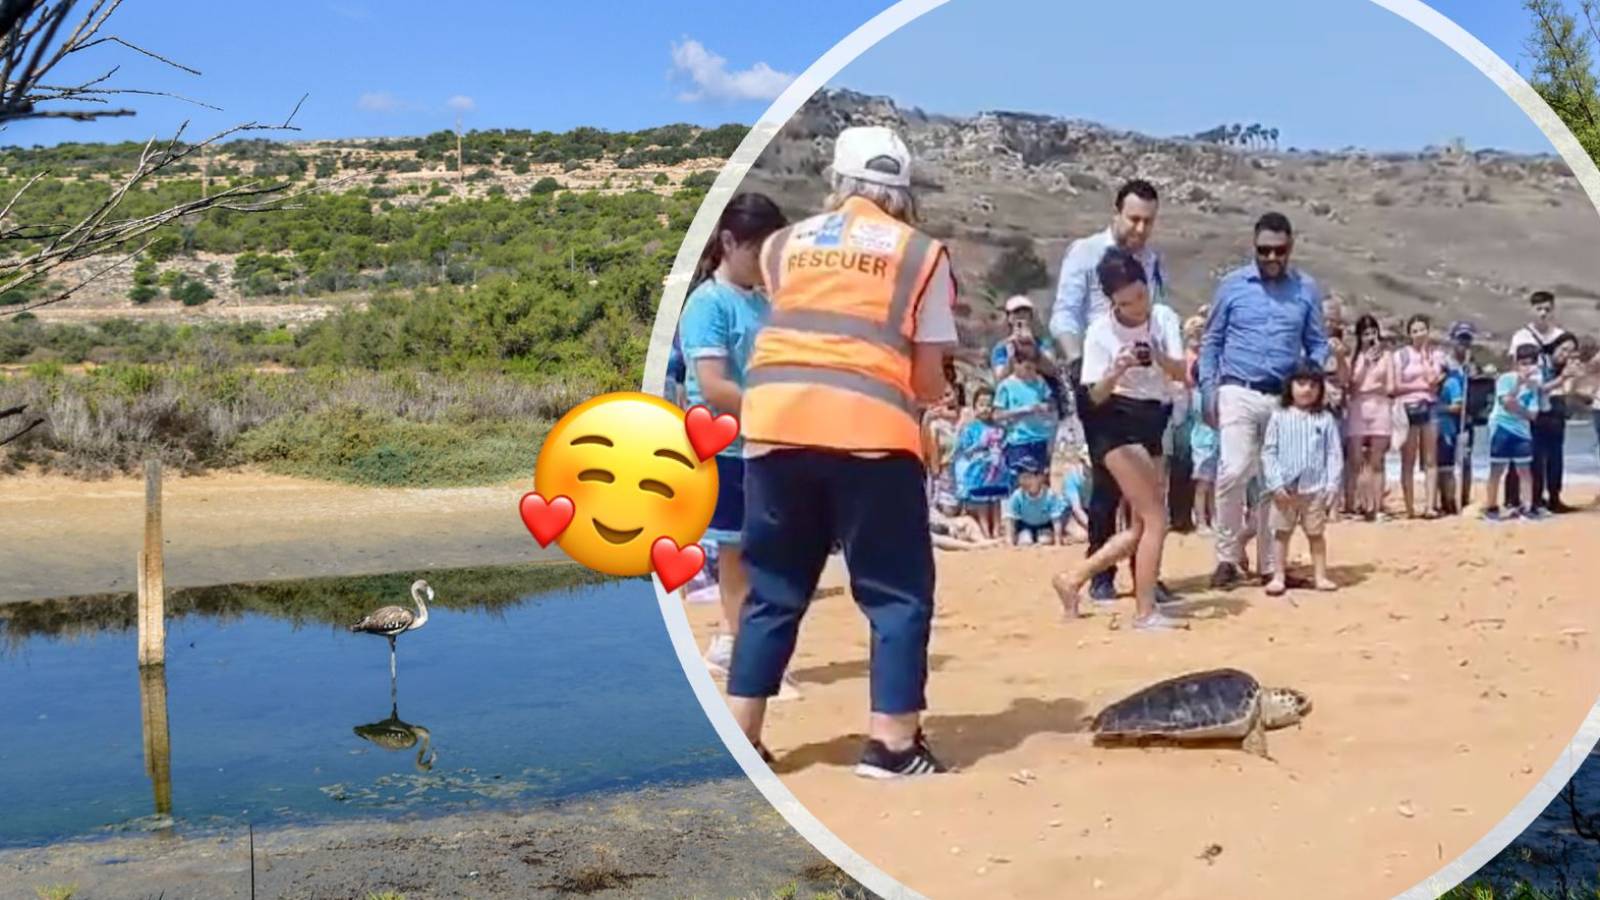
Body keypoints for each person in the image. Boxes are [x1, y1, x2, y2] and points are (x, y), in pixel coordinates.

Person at [728, 124, 956, 777]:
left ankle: (741, 735)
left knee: (773, 590)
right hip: (869, 434)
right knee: (896, 591)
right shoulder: (920, 254)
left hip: (775, 426)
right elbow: (927, 376)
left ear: (836, 182)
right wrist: (929, 397)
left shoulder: (782, 246)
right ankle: (892, 744)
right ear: (902, 193)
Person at [678, 192, 802, 701]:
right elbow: (712, 385)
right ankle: (746, 654)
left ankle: (733, 642)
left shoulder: (762, 302)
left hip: (762, 441)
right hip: (727, 447)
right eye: (758, 252)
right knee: (738, 552)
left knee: (755, 552)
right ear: (730, 242)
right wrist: (771, 406)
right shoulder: (708, 304)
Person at [1047, 178, 1178, 606]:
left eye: (1149, 222)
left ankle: (1145, 574)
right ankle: (1100, 572)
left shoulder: (1152, 262)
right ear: (1116, 213)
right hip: (1100, 378)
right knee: (1106, 483)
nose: (1140, 229)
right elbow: (1065, 314)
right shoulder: (1085, 253)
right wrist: (1079, 364)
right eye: (1134, 219)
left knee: (1149, 489)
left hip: (1146, 388)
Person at [1197, 212, 1330, 588]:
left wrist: (1311, 380)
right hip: (1237, 388)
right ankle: (1226, 558)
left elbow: (1317, 343)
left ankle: (1271, 565)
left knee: (1277, 482)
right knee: (1233, 471)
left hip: (1282, 397)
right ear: (1254, 247)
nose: (1272, 257)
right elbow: (1212, 341)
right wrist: (1207, 391)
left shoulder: (1306, 289)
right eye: (1264, 250)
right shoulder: (1232, 286)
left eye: (1279, 250)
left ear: (1291, 247)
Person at [1260, 367, 1344, 597]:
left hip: (1314, 488)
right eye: (1301, 384)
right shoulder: (1279, 416)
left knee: (1315, 533)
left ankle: (1320, 575)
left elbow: (1333, 454)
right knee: (1281, 533)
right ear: (1290, 386)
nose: (1307, 390)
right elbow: (1269, 451)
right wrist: (1275, 483)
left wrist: (1332, 485)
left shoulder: (1325, 419)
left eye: (1313, 385)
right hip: (1284, 489)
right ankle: (1278, 575)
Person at [1506, 291, 1571, 514]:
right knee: (1528, 449)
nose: (1543, 313)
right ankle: (1524, 497)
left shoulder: (1561, 337)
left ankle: (1554, 496)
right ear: (1531, 310)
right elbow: (1514, 368)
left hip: (1555, 397)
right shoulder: (1521, 337)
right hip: (1530, 399)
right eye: (1539, 309)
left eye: (1547, 309)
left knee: (1555, 451)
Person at [1392, 314, 1449, 518]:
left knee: (1431, 458)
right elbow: (1396, 385)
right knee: (1408, 459)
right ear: (1409, 334)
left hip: (1429, 406)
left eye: (1422, 330)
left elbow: (1433, 380)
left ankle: (1430, 505)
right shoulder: (1401, 355)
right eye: (1414, 331)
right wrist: (1421, 386)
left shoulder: (1436, 355)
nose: (1419, 334)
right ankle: (1409, 507)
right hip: (1407, 408)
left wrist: (1425, 357)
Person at [1342, 314, 1394, 521]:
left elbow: (1391, 386)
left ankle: (1377, 506)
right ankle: (1359, 504)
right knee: (1356, 460)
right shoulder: (1355, 357)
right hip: (1358, 407)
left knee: (1376, 460)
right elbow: (1351, 383)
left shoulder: (1387, 356)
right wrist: (1365, 363)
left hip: (1380, 406)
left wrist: (1373, 385)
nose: (1370, 337)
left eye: (1373, 332)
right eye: (1366, 334)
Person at [1483, 344, 1544, 522]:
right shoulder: (1505, 379)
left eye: (1531, 364)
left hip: (1522, 432)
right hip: (1501, 427)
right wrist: (1518, 385)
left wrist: (1518, 408)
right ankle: (1491, 505)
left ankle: (1527, 506)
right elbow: (1506, 402)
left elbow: (1533, 414)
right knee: (1497, 469)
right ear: (1516, 364)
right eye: (1523, 364)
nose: (1527, 368)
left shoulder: (1533, 386)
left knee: (1524, 469)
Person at [952, 386, 1011, 536]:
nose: (985, 409)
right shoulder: (970, 429)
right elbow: (965, 451)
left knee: (996, 500)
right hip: (979, 472)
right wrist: (980, 444)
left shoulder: (1000, 428)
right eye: (981, 404)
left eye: (989, 405)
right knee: (982, 502)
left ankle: (996, 530)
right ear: (974, 407)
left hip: (997, 471)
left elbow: (1005, 446)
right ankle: (985, 531)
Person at [994, 340, 1058, 475]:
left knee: (1041, 477)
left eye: (1034, 368)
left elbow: (1051, 403)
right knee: (1024, 478)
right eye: (1027, 368)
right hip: (1019, 441)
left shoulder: (1039, 382)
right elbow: (997, 415)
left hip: (1040, 439)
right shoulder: (1006, 386)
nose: (1031, 373)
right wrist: (1024, 410)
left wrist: (1045, 407)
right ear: (1016, 364)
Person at [1435, 323, 1473, 516]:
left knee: (1465, 461)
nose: (1463, 344)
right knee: (1445, 463)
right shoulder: (1444, 364)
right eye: (1460, 339)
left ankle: (1463, 500)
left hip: (1466, 421)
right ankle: (1446, 501)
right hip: (1446, 422)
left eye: (1467, 340)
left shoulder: (1470, 365)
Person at [1004, 459, 1066, 545]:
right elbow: (1010, 519)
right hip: (1025, 525)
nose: (1023, 481)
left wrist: (1058, 541)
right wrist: (1009, 541)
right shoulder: (1017, 496)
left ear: (1040, 478)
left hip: (1045, 525)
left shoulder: (1050, 495)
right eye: (1021, 478)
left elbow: (1056, 519)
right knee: (1025, 542)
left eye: (1028, 477)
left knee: (1045, 540)